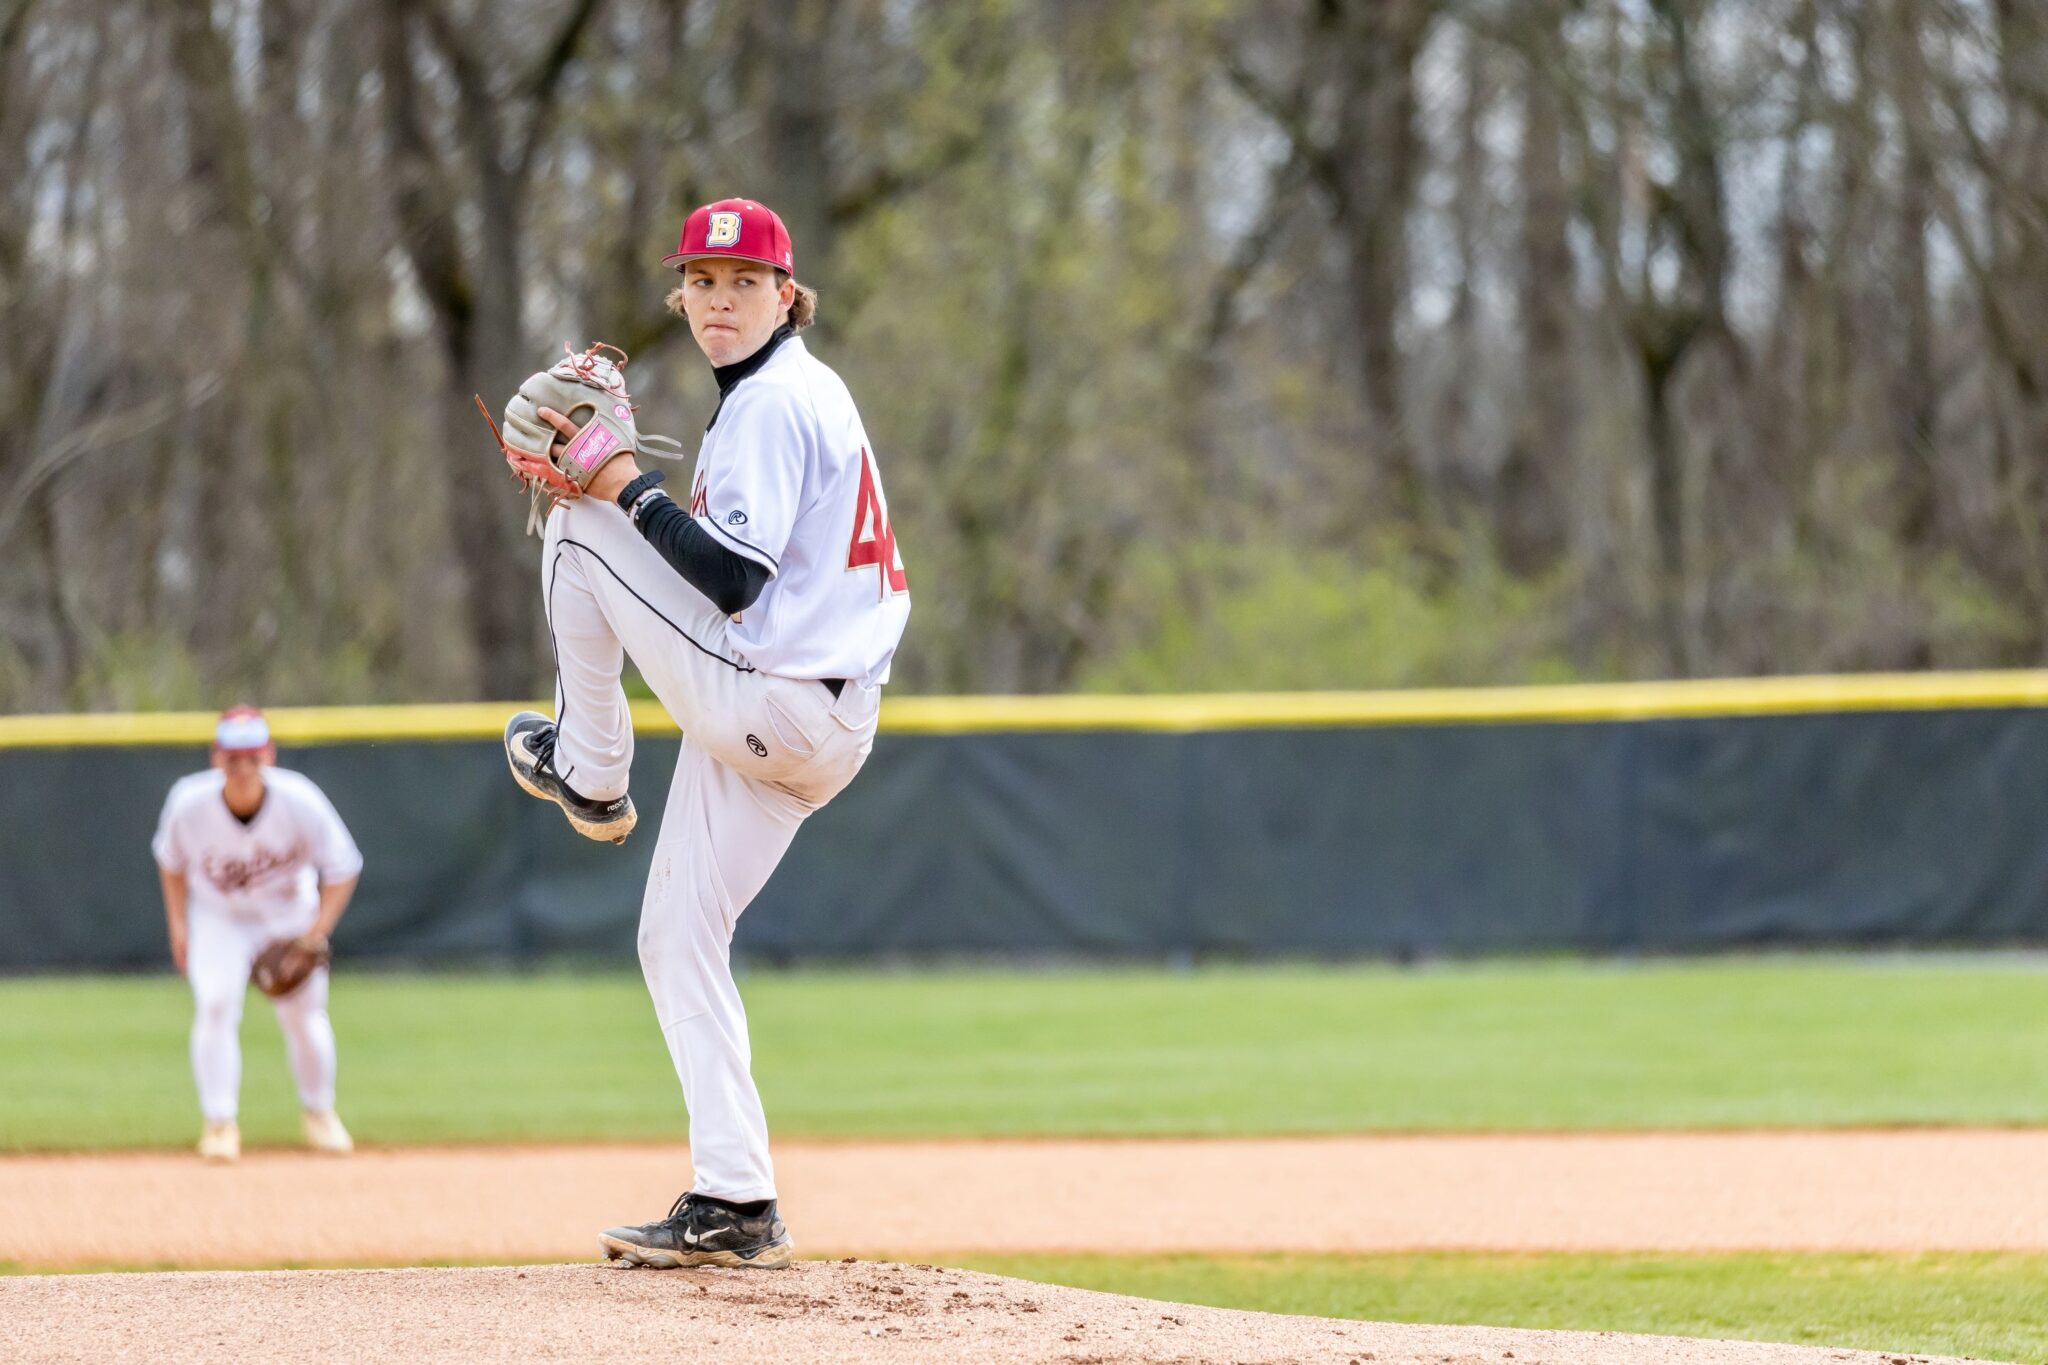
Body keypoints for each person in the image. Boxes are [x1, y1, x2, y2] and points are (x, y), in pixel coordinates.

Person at [499, 198, 909, 1268]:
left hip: (774, 692)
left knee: (577, 520)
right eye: (704, 281)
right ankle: (736, 1202)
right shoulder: (795, 394)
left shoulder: (774, 401)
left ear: (787, 295)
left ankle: (588, 769)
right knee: (676, 936)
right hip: (809, 717)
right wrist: (625, 478)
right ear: (680, 295)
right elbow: (727, 575)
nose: (721, 300)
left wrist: (616, 475)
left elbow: (730, 577)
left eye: (744, 282)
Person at [152, 705, 362, 1161]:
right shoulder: (189, 802)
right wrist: (178, 923)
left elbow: (344, 867)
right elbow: (170, 862)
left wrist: (315, 932)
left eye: (252, 755)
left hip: (288, 915)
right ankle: (219, 1124)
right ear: (217, 758)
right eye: (233, 756)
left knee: (305, 1018)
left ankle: (320, 1115)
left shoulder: (299, 800)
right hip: (218, 917)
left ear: (268, 755)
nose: (243, 766)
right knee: (215, 1005)